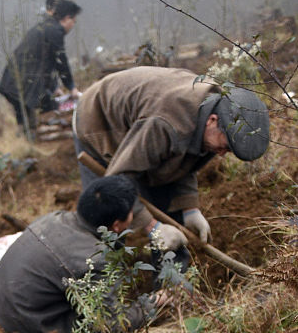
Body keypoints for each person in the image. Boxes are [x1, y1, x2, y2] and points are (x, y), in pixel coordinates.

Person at [72, 68, 270, 252]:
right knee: (108, 216)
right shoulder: (167, 124)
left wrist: (189, 208)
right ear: (213, 121)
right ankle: (98, 280)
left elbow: (184, 161)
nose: (221, 154)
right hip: (99, 120)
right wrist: (152, 226)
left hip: (144, 129)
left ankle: (171, 286)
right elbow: (118, 179)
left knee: (171, 217)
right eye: (225, 147)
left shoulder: (216, 113)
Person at [0, 174, 172, 333]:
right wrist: (152, 303)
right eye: (132, 212)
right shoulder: (95, 259)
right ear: (116, 225)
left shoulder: (54, 219)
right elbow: (110, 325)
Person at [0, 0, 82, 134]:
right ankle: (38, 143)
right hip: (23, 83)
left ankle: (27, 143)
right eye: (73, 21)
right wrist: (71, 88)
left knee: (26, 119)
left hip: (13, 81)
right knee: (49, 107)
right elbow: (61, 61)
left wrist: (54, 87)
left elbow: (45, 62)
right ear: (66, 18)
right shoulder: (55, 31)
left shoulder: (44, 27)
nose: (73, 25)